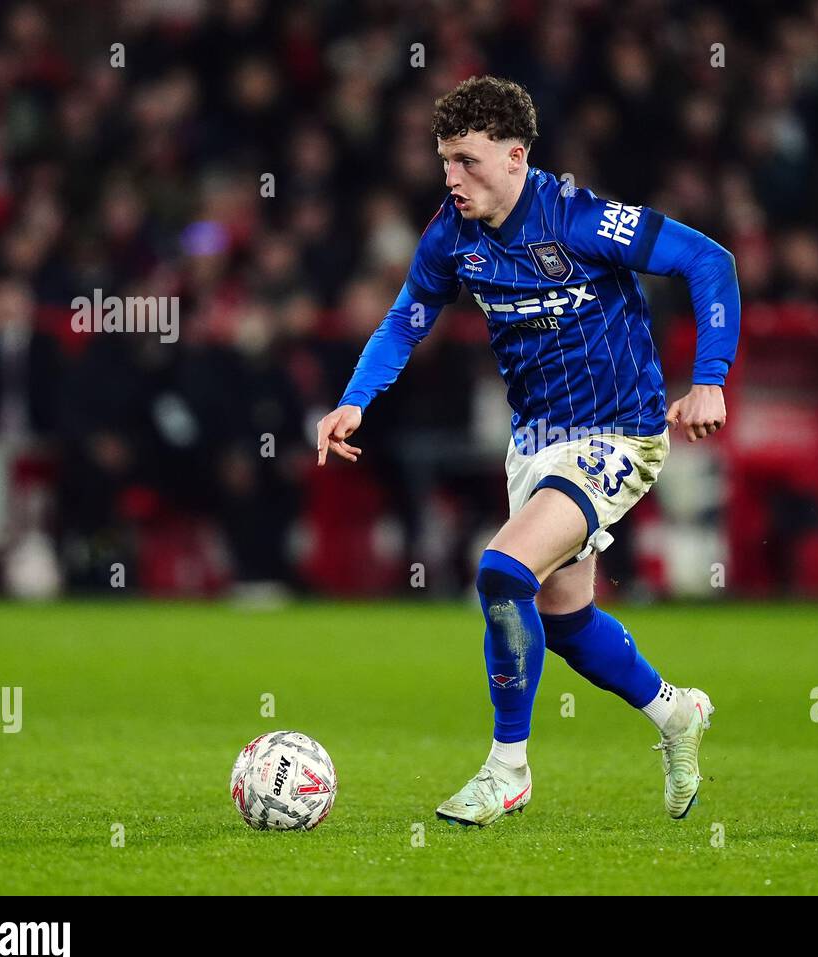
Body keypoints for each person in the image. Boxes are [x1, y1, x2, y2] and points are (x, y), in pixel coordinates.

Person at [315, 77, 740, 825]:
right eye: (444, 160)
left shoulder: (580, 219)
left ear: (516, 157)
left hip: (618, 434)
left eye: (468, 161)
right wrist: (355, 398)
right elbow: (407, 319)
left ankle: (507, 768)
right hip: (535, 443)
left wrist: (709, 380)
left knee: (502, 573)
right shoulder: (452, 235)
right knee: (567, 620)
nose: (451, 177)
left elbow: (710, 262)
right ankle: (676, 714)